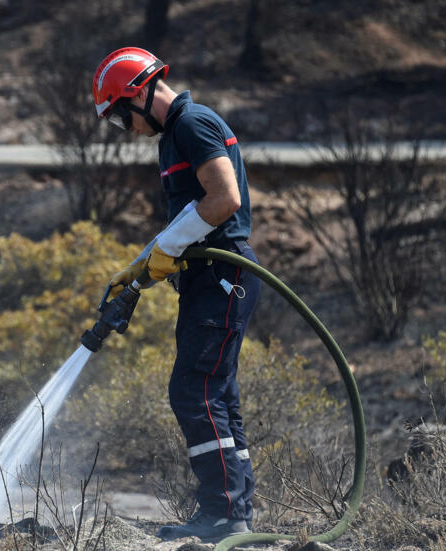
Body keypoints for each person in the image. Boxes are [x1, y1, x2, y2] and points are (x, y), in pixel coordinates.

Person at [92, 47, 262, 542]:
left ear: (141, 93)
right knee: (218, 394)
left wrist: (162, 250)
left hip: (223, 273)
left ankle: (224, 513)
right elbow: (186, 221)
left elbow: (223, 199)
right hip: (208, 277)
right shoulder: (174, 137)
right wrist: (139, 268)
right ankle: (235, 511)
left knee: (194, 389)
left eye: (122, 115)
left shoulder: (193, 124)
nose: (125, 128)